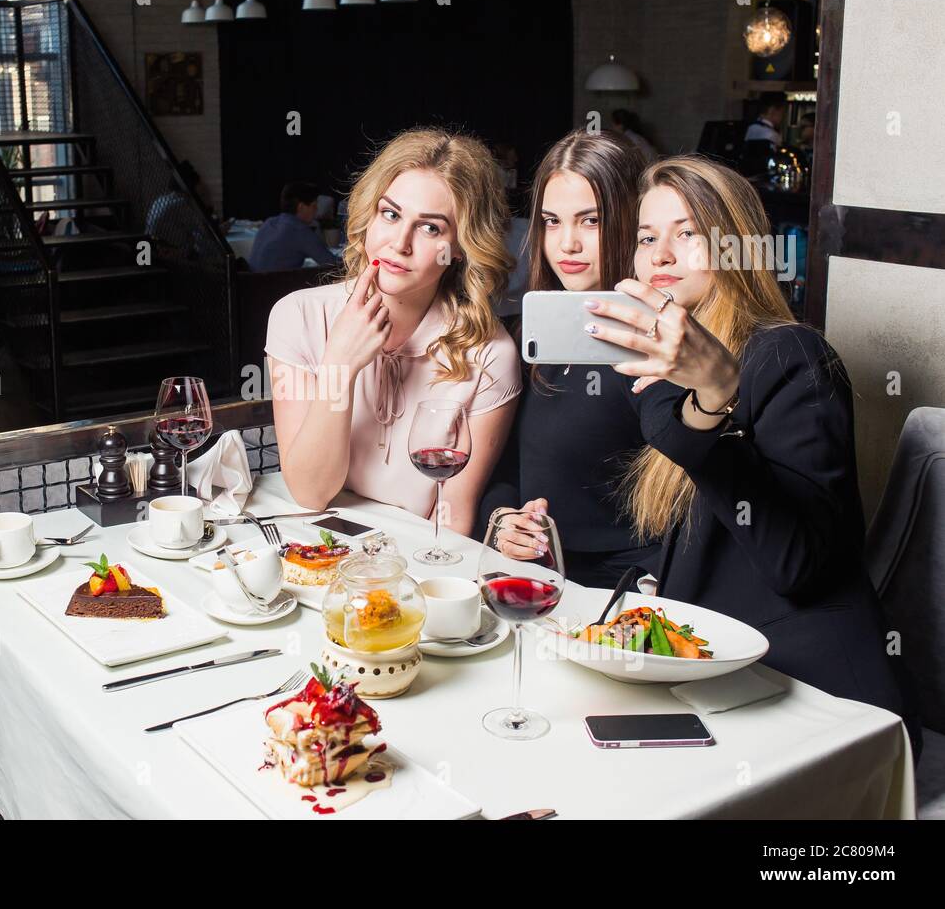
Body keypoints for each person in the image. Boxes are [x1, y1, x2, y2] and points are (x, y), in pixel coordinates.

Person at [584, 155, 919, 747]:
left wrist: (719, 396)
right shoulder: (661, 377)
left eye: (687, 234)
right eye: (646, 237)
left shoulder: (793, 355)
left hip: (820, 699)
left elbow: (796, 566)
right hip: (717, 674)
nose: (660, 255)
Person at [265, 128, 520, 536]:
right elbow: (311, 492)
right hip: (313, 544)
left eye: (431, 228)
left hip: (412, 562)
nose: (400, 242)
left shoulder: (490, 354)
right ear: (369, 216)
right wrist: (340, 366)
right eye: (391, 214)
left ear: (459, 248)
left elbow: (452, 519)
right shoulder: (297, 316)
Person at [481, 129, 664, 587]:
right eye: (552, 221)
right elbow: (503, 467)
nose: (567, 245)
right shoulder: (528, 333)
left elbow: (684, 504)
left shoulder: (659, 344)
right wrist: (503, 521)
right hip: (531, 574)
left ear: (631, 223)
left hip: (626, 589)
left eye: (591, 221)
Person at [248, 182, 337, 272]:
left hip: (251, 281)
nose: (316, 209)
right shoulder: (300, 231)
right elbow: (333, 264)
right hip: (270, 284)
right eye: (314, 205)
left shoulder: (269, 222)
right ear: (301, 207)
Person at [145, 160, 216, 259]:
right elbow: (205, 233)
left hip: (155, 251)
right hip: (172, 255)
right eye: (197, 184)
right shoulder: (181, 204)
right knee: (211, 247)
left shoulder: (161, 200)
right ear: (191, 185)